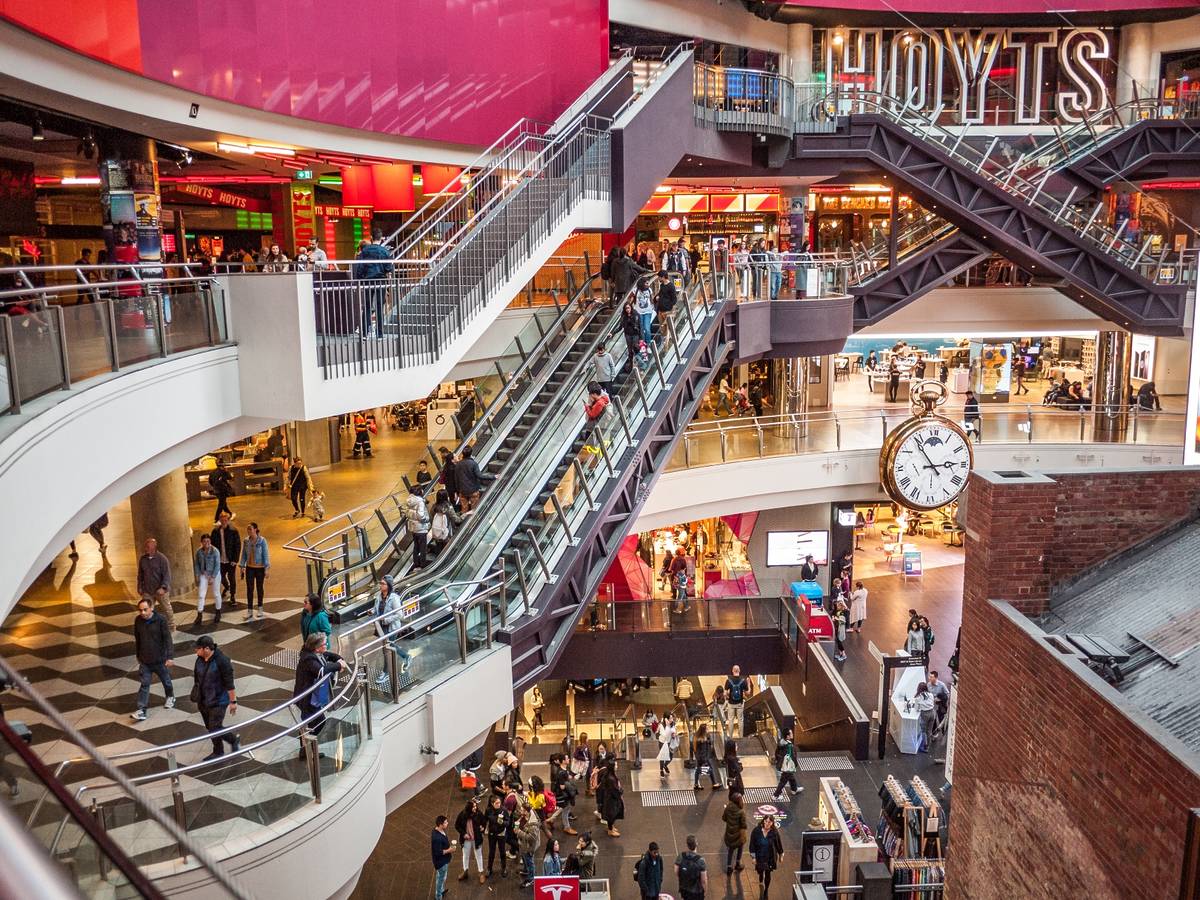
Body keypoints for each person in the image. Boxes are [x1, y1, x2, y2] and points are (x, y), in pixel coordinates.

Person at [292, 632, 346, 756]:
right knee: (316, 722)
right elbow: (321, 671)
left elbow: (330, 655)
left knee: (311, 723)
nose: (326, 645)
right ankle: (306, 748)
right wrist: (338, 666)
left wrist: (338, 659)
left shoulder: (316, 654)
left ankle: (305, 749)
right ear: (316, 648)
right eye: (324, 644)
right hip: (307, 698)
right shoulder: (309, 659)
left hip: (311, 697)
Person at [191, 634, 239, 761]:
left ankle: (222, 748)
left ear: (206, 649)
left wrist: (233, 701)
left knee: (214, 727)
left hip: (219, 700)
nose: (196, 651)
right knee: (210, 727)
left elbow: (229, 683)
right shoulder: (199, 659)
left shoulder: (222, 661)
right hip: (203, 700)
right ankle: (225, 745)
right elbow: (197, 678)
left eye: (198, 648)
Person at [131, 597, 175, 722]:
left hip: (159, 659)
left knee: (166, 681)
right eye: (140, 610)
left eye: (145, 610)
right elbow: (137, 638)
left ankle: (170, 696)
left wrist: (170, 656)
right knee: (144, 684)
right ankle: (141, 710)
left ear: (151, 608)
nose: (143, 613)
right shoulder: (138, 620)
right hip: (145, 660)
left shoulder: (160, 620)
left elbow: (167, 639)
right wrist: (138, 655)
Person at [353, 231, 393, 339]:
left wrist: (360, 279)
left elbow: (360, 267)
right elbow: (389, 268)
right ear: (381, 239)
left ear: (371, 238)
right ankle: (379, 334)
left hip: (368, 281)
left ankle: (365, 333)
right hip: (381, 281)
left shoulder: (365, 251)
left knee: (367, 306)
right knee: (380, 307)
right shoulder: (384, 251)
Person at [137, 538, 174, 632]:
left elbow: (167, 575)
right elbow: (140, 575)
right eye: (146, 547)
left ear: (154, 548)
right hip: (148, 590)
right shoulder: (143, 559)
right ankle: (150, 627)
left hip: (160, 590)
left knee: (166, 609)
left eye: (148, 547)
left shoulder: (162, 559)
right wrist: (140, 587)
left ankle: (171, 626)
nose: (146, 549)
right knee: (147, 609)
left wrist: (163, 588)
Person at [749, 814, 785, 898]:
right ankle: (761, 875)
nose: (767, 823)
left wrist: (781, 855)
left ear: (772, 823)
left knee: (768, 874)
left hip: (770, 857)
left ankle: (766, 890)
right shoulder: (756, 831)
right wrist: (753, 857)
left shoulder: (774, 833)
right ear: (763, 821)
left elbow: (778, 844)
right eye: (766, 821)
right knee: (760, 871)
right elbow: (752, 844)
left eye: (769, 822)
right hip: (760, 856)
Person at [239, 523, 269, 620]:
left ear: (255, 529)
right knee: (249, 589)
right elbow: (243, 554)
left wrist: (266, 568)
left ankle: (260, 608)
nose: (248, 531)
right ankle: (250, 610)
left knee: (259, 588)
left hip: (259, 568)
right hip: (250, 568)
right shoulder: (246, 541)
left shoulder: (262, 541)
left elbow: (265, 554)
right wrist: (242, 565)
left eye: (250, 529)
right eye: (247, 529)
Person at [455, 796, 487, 885]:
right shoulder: (462, 815)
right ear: (469, 808)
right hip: (466, 840)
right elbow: (457, 825)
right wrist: (463, 833)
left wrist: (482, 828)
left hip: (477, 838)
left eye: (476, 806)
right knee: (465, 855)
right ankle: (465, 871)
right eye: (473, 807)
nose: (475, 808)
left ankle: (481, 872)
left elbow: (484, 822)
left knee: (479, 855)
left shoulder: (478, 813)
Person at [211, 512, 240, 611]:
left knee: (232, 578)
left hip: (230, 560)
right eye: (222, 520)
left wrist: (235, 560)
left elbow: (237, 546)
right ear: (219, 520)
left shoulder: (233, 531)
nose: (223, 522)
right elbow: (212, 546)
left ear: (228, 520)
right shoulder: (215, 531)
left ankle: (232, 596)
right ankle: (227, 587)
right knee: (221, 577)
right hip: (220, 560)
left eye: (225, 520)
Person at [193, 533, 222, 627]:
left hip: (215, 574)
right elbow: (197, 563)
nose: (206, 543)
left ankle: (218, 611)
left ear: (210, 542)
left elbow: (217, 565)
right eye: (204, 541)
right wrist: (198, 574)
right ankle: (199, 614)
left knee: (216, 593)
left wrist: (213, 577)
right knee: (201, 595)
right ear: (201, 542)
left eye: (208, 541)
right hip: (204, 574)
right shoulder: (199, 552)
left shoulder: (215, 551)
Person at [429, 489, 463, 557]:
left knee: (439, 548)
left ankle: (438, 561)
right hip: (447, 532)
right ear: (446, 496)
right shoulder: (448, 506)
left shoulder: (434, 506)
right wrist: (464, 515)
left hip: (437, 531)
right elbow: (456, 520)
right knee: (448, 549)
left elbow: (431, 518)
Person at [455, 446, 489, 512]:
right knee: (474, 509)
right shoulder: (473, 464)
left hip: (462, 491)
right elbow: (480, 476)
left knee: (464, 509)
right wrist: (493, 477)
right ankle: (473, 522)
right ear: (471, 453)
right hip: (473, 490)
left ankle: (465, 522)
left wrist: (458, 491)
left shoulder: (458, 465)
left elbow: (456, 479)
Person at [484, 794, 510, 879]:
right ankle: (489, 868)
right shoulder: (488, 810)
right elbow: (485, 820)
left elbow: (508, 822)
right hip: (492, 834)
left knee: (502, 851)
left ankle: (504, 868)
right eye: (496, 803)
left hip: (501, 833)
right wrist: (483, 828)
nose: (499, 804)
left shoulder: (504, 810)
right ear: (492, 803)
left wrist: (502, 823)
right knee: (491, 851)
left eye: (499, 803)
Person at [676, 834, 708, 900]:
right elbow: (703, 880)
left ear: (687, 845)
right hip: (696, 892)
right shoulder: (700, 860)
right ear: (696, 844)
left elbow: (676, 871)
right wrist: (705, 890)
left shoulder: (681, 856)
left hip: (684, 889)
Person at [723, 793, 748, 875]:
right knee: (740, 847)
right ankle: (737, 864)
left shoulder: (727, 808)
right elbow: (743, 825)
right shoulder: (741, 812)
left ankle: (729, 868)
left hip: (730, 833)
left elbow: (724, 818)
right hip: (738, 835)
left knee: (730, 850)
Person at [691, 721, 721, 790]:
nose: (708, 730)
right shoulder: (703, 741)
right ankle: (714, 783)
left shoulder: (699, 738)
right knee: (710, 769)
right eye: (707, 729)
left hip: (700, 758)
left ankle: (696, 784)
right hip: (704, 758)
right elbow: (703, 751)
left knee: (698, 770)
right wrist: (705, 760)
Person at [772, 728, 800, 800]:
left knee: (791, 777)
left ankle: (794, 789)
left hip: (783, 765)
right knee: (783, 781)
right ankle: (776, 795)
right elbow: (792, 756)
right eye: (791, 733)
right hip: (787, 766)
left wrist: (779, 761)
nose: (792, 734)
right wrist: (795, 764)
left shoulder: (781, 742)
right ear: (787, 736)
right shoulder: (789, 746)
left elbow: (776, 753)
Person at [515, 811, 540, 888]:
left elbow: (531, 838)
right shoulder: (524, 816)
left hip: (529, 847)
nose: (520, 810)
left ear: (526, 811)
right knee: (524, 858)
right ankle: (526, 870)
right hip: (523, 844)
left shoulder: (532, 825)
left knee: (530, 862)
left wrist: (519, 832)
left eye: (522, 809)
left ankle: (531, 878)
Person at [405, 493, 431, 569]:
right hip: (421, 528)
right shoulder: (420, 502)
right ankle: (423, 564)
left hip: (413, 528)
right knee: (423, 547)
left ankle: (416, 562)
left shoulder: (409, 501)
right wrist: (427, 519)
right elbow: (420, 516)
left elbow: (407, 513)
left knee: (416, 546)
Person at [431, 815, 453, 900]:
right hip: (441, 862)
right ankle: (438, 896)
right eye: (445, 822)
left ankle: (440, 891)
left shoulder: (437, 830)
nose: (447, 823)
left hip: (442, 861)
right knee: (441, 878)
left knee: (440, 876)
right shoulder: (437, 838)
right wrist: (449, 850)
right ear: (440, 824)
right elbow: (438, 852)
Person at [725, 665, 750, 738]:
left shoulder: (728, 680)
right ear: (739, 671)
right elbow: (747, 693)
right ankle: (741, 736)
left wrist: (728, 695)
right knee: (740, 720)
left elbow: (725, 693)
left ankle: (730, 737)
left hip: (731, 703)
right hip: (740, 703)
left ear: (732, 671)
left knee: (731, 720)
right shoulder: (743, 680)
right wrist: (748, 683)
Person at [600, 761, 624, 837]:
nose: (617, 766)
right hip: (611, 800)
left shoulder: (609, 775)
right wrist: (621, 790)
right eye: (616, 765)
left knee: (611, 814)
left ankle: (611, 827)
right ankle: (610, 830)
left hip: (609, 798)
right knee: (611, 815)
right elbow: (615, 790)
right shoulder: (611, 778)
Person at [913, 681, 938, 752]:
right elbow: (932, 702)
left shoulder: (918, 697)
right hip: (932, 712)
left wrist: (920, 707)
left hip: (925, 714)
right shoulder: (930, 694)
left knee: (923, 731)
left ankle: (925, 746)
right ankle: (928, 746)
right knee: (929, 731)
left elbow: (916, 709)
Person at [633, 276, 656, 344]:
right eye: (646, 283)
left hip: (648, 311)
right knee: (641, 329)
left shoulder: (649, 290)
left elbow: (651, 299)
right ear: (642, 283)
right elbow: (631, 299)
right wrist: (633, 306)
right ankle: (642, 344)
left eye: (648, 283)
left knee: (647, 329)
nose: (648, 285)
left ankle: (648, 344)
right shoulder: (635, 290)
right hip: (638, 312)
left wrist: (653, 306)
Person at [656, 712, 677, 777]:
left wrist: (674, 734)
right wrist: (669, 729)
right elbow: (663, 734)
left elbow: (674, 731)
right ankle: (661, 770)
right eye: (670, 718)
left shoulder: (672, 724)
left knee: (671, 757)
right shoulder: (662, 725)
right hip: (662, 742)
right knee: (663, 757)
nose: (672, 719)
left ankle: (665, 765)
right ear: (666, 719)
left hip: (669, 742)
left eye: (672, 717)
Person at [832, 595, 849, 662]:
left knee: (839, 641)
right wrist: (833, 617)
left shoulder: (845, 612)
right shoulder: (837, 610)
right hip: (836, 627)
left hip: (841, 628)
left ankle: (844, 654)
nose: (837, 608)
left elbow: (844, 620)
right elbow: (833, 613)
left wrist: (837, 618)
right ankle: (840, 653)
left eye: (838, 606)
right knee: (837, 640)